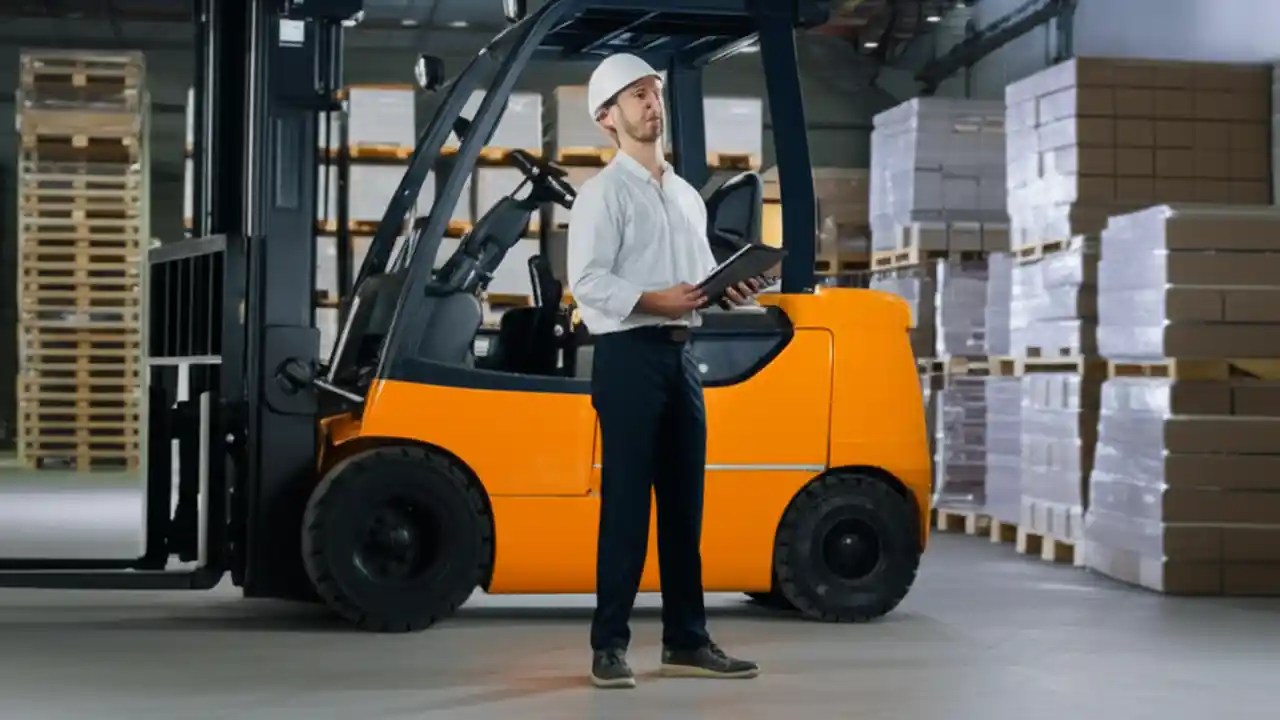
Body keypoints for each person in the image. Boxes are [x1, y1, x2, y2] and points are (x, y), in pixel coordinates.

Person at [566, 52, 764, 690]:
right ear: (608, 118)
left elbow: (702, 277)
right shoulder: (602, 194)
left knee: (685, 507)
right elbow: (588, 282)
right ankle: (609, 647)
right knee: (626, 504)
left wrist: (732, 289)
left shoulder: (684, 195)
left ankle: (686, 639)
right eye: (638, 97)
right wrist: (657, 300)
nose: (653, 105)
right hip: (628, 358)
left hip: (681, 358)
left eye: (655, 94)